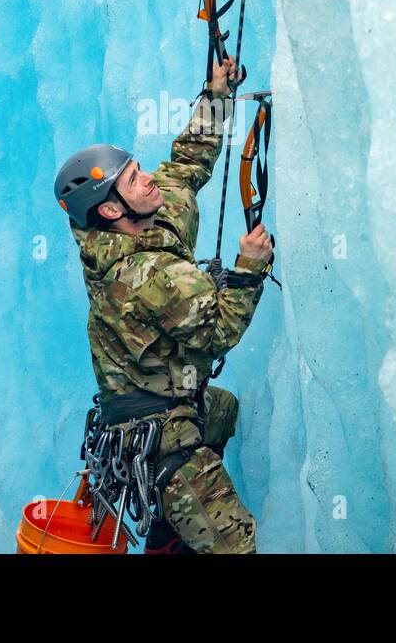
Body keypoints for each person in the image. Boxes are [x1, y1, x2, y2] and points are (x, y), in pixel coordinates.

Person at [54, 56, 273, 553]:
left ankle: (170, 538)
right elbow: (218, 331)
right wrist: (247, 269)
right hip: (157, 443)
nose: (148, 178)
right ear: (112, 209)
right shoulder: (139, 277)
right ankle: (180, 513)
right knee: (236, 547)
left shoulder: (144, 214)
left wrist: (216, 96)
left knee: (221, 408)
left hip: (177, 403)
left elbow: (186, 165)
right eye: (133, 179)